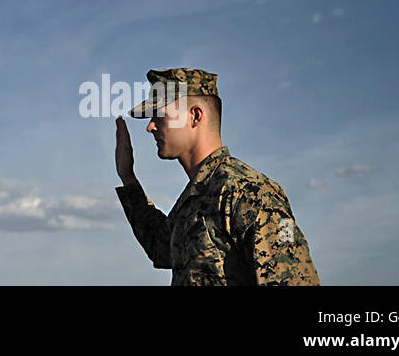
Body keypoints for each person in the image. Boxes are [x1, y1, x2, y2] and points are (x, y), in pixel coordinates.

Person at [113, 67, 320, 286]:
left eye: (160, 115)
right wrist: (128, 178)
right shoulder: (197, 195)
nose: (150, 126)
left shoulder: (247, 191)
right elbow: (160, 247)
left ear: (195, 115)